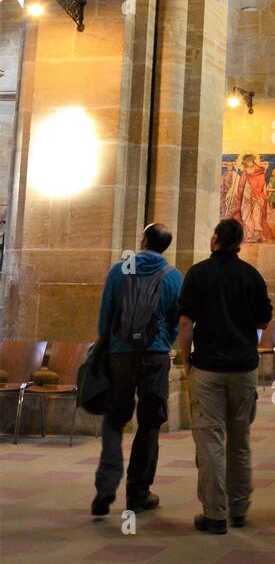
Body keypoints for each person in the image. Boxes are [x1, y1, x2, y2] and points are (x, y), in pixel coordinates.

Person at [178, 217, 273, 534]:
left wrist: (185, 359)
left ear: (216, 238)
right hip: (243, 369)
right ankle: (239, 509)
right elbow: (262, 322)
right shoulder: (251, 276)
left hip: (207, 368)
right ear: (240, 242)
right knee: (240, 442)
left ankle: (215, 513)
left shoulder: (198, 274)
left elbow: (185, 323)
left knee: (210, 442)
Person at [92, 222, 182, 518]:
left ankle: (105, 490)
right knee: (150, 423)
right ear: (165, 247)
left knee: (115, 421)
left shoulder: (120, 270)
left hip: (121, 355)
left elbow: (106, 313)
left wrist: (110, 342)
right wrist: (163, 341)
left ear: (143, 240)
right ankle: (138, 493)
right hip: (154, 355)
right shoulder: (172, 276)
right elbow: (175, 318)